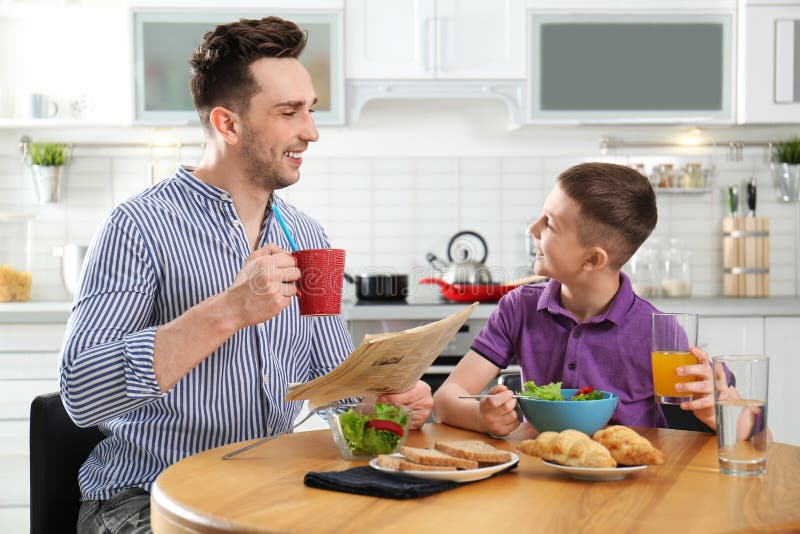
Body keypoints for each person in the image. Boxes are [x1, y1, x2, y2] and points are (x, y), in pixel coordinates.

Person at [61, 16, 432, 533]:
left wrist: (382, 402)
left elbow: (333, 390)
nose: (311, 131)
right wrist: (228, 310)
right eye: (289, 112)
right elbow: (81, 391)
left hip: (269, 492)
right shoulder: (136, 227)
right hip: (142, 498)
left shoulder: (309, 237)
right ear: (228, 124)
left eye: (310, 110)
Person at [432, 162, 716, 438]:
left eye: (549, 224)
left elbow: (737, 422)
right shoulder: (519, 308)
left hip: (625, 477)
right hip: (542, 472)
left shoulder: (655, 332)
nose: (533, 229)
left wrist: (715, 407)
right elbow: (445, 399)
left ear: (593, 258)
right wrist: (479, 416)